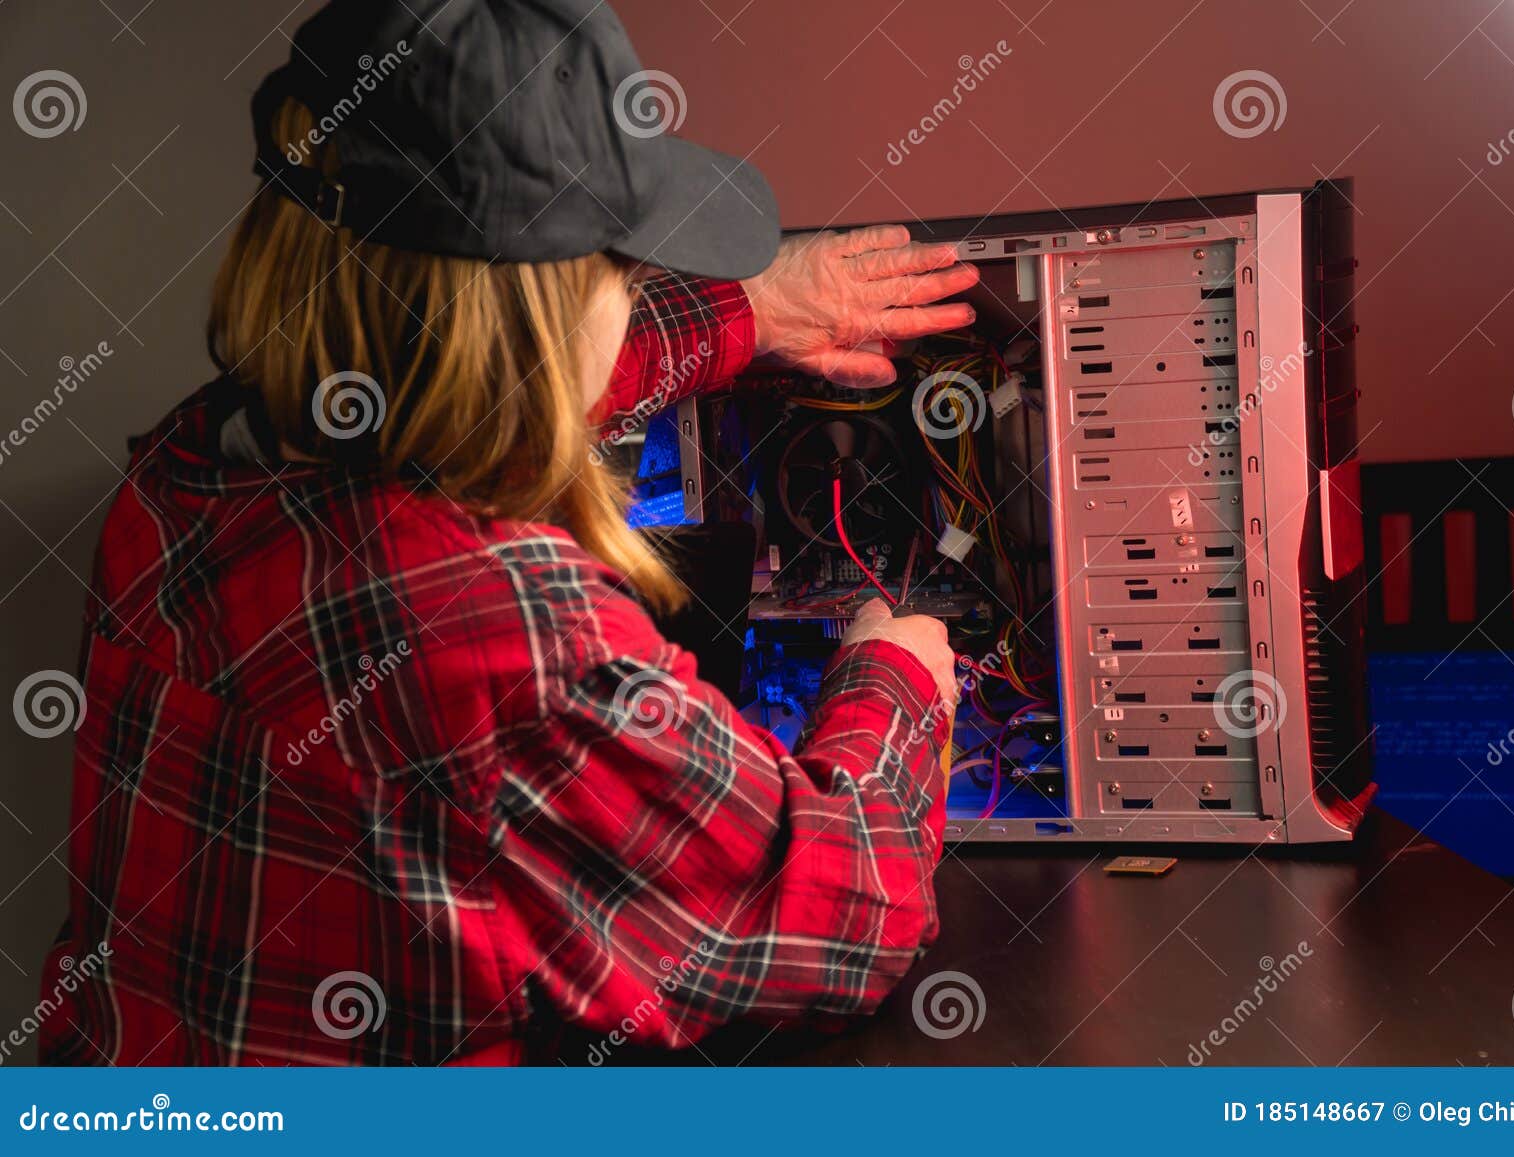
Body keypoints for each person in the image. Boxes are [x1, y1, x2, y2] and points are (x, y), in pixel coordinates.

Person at [42, 0, 979, 1065]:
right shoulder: (504, 637)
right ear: (550, 309)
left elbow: (458, 391)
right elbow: (841, 913)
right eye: (623, 271)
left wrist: (752, 309)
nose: (631, 298)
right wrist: (891, 676)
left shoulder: (184, 471)